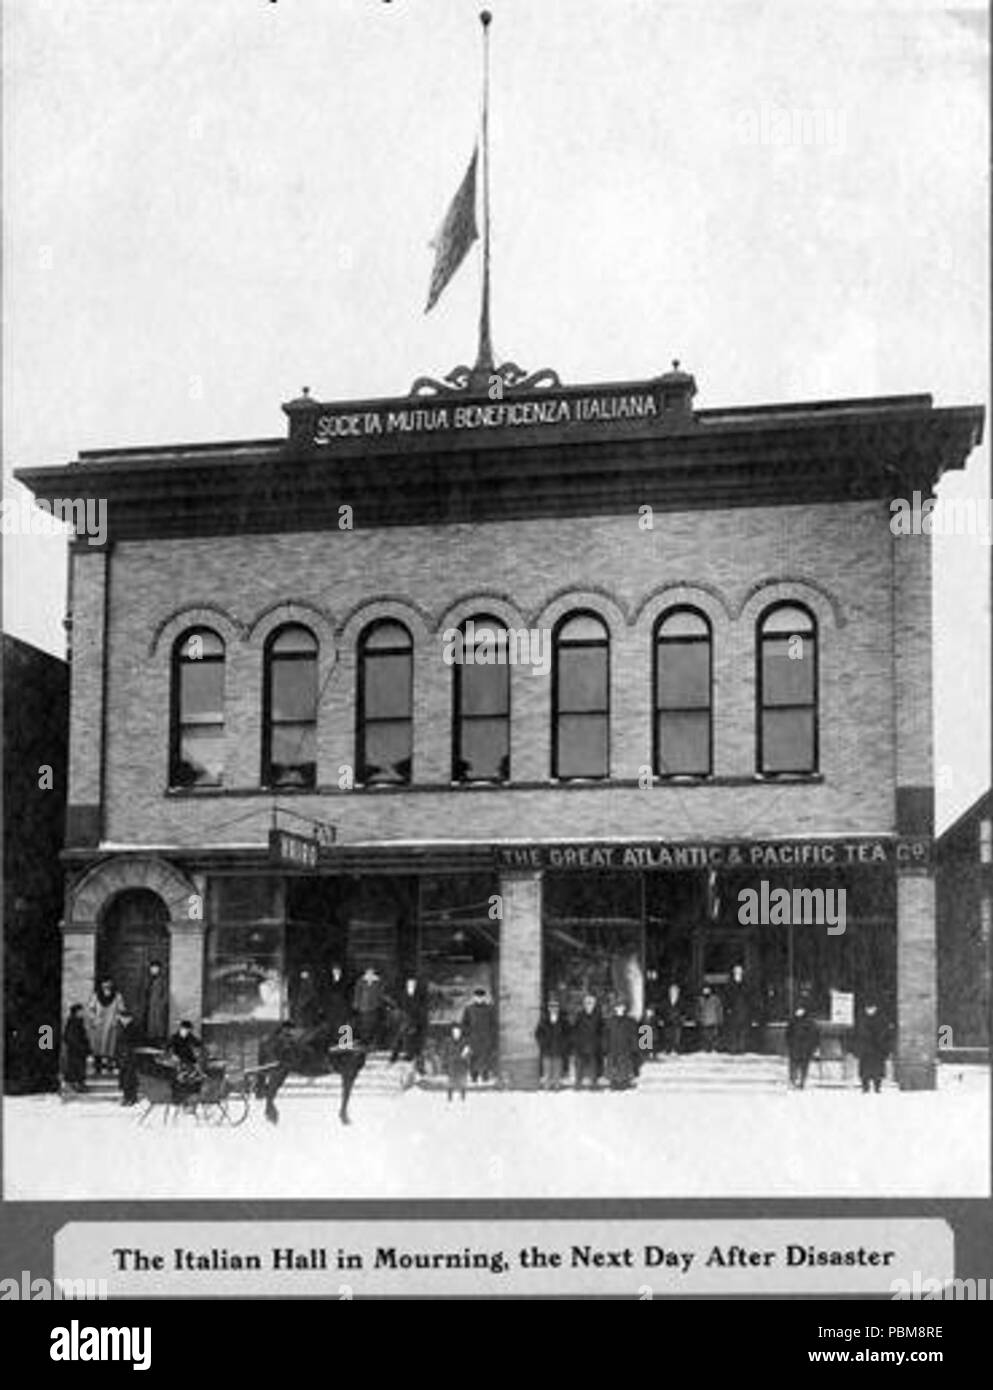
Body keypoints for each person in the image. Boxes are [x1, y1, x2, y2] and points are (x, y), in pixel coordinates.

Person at [86, 977, 125, 1075]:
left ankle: (109, 1067)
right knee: (98, 1048)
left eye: (108, 983)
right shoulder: (96, 996)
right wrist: (95, 1019)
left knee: (110, 1048)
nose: (106, 985)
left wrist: (116, 1019)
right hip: (99, 1026)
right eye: (104, 983)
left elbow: (121, 1009)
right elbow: (90, 1009)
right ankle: (97, 1067)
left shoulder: (117, 996)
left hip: (111, 1025)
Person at [388, 976, 429, 1069]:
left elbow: (422, 1008)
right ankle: (393, 1059)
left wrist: (418, 1021)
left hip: (418, 1021)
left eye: (413, 984)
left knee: (417, 1043)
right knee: (400, 1039)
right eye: (409, 984)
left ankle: (418, 1064)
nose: (411, 986)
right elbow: (400, 1006)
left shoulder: (420, 995)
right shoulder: (403, 995)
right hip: (406, 1020)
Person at [602, 1000, 642, 1090]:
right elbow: (606, 1035)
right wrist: (605, 1047)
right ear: (615, 1009)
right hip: (613, 1047)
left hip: (625, 1047)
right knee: (613, 1065)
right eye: (618, 1007)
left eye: (622, 1007)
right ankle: (614, 1082)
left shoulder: (630, 1021)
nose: (620, 1009)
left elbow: (633, 1035)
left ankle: (624, 1082)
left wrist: (634, 1047)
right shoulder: (610, 1021)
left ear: (625, 1008)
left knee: (624, 1065)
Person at [461, 986, 497, 1083]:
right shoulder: (469, 1008)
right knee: (473, 1057)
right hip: (473, 1037)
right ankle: (474, 1076)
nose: (479, 998)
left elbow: (493, 1024)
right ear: (474, 997)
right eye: (477, 996)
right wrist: (466, 1036)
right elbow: (464, 1023)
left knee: (485, 1057)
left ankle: (485, 1076)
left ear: (484, 997)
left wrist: (492, 1037)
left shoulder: (489, 1008)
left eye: (481, 996)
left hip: (486, 1037)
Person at [854, 1001, 890, 1094]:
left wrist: (883, 1045)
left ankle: (877, 1086)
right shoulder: (861, 1018)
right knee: (865, 1070)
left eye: (872, 1008)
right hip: (866, 1049)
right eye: (868, 1008)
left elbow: (885, 1033)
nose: (870, 1010)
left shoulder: (881, 1019)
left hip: (877, 1048)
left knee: (877, 1070)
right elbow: (858, 1033)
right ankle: (865, 1086)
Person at [535, 999, 570, 1089]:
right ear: (549, 1008)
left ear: (558, 1008)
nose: (553, 1009)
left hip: (558, 1047)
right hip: (547, 1048)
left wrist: (564, 1044)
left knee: (557, 1067)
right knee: (547, 1067)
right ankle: (547, 1083)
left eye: (555, 1007)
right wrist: (542, 1043)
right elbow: (538, 1033)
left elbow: (568, 1033)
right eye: (551, 1007)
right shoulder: (543, 1019)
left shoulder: (563, 1020)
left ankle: (556, 1083)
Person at [571, 993, 602, 1088]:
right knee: (579, 1064)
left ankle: (594, 1082)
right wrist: (576, 1041)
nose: (589, 1005)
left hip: (593, 1044)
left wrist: (599, 1042)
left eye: (591, 1002)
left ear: (594, 1004)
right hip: (581, 1043)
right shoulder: (579, 1015)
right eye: (587, 1002)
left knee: (593, 1064)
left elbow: (601, 1030)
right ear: (584, 1004)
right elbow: (574, 1029)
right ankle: (578, 1082)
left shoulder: (598, 1015)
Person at [785, 1005, 819, 1089]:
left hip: (804, 1048)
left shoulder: (810, 1023)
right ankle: (794, 1080)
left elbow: (815, 1036)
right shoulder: (793, 1021)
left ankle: (801, 1081)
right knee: (795, 1065)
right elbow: (788, 1034)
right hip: (797, 1048)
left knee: (802, 1066)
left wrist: (813, 1047)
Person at [136, 959, 169, 1045]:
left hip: (157, 1006)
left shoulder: (162, 980)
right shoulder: (148, 979)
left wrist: (161, 1004)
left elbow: (165, 993)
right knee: (148, 1023)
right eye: (152, 968)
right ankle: (149, 1040)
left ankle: (158, 1041)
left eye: (156, 968)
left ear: (159, 969)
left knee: (158, 1024)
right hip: (148, 1004)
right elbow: (144, 991)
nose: (154, 970)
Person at [115, 1006, 143, 1106]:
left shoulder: (135, 1028)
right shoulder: (119, 1027)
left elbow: (139, 1042)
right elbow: (117, 1043)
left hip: (132, 1056)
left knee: (130, 1079)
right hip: (122, 1056)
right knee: (123, 1079)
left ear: (129, 1018)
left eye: (125, 1018)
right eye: (121, 1018)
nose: (123, 1020)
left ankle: (131, 1098)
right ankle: (127, 1097)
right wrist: (117, 1057)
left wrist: (131, 1050)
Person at [352, 966, 383, 1047]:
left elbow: (380, 993)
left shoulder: (378, 982)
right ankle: (364, 1040)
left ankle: (371, 1041)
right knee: (363, 1024)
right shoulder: (360, 981)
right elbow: (357, 993)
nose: (369, 974)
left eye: (371, 972)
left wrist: (379, 1003)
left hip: (374, 1006)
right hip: (363, 1006)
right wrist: (356, 1003)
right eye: (368, 972)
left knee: (372, 1024)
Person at [724, 963, 752, 1053]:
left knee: (743, 1030)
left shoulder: (746, 983)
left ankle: (742, 1048)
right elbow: (727, 996)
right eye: (736, 971)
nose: (738, 973)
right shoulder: (730, 983)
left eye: (739, 971)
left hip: (743, 1010)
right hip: (733, 1010)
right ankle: (733, 1048)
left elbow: (749, 995)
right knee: (733, 1030)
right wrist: (728, 1007)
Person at [62, 1004, 90, 1092]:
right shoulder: (73, 1022)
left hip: (79, 1050)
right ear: (76, 1012)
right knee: (75, 1068)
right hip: (75, 1051)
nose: (83, 1013)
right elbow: (70, 1037)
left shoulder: (78, 1022)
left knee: (79, 1068)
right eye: (81, 1011)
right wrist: (80, 1047)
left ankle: (79, 1084)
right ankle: (76, 1085)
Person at [442, 1023, 471, 1102]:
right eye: (454, 1032)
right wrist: (445, 1064)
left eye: (458, 1032)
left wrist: (466, 1060)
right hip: (452, 1064)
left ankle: (463, 1098)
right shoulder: (448, 1042)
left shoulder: (465, 1042)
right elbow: (445, 1053)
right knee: (450, 1082)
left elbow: (468, 1053)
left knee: (462, 1082)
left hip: (461, 1064)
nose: (456, 1034)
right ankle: (450, 1098)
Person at [324, 963, 351, 1045]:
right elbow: (325, 993)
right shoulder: (327, 981)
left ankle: (342, 1041)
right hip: (331, 1005)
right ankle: (332, 1040)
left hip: (342, 1005)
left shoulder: (346, 981)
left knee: (341, 1023)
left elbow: (348, 994)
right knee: (331, 1023)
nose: (336, 972)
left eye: (338, 971)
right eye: (334, 970)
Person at [696, 985, 723, 1051]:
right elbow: (697, 1010)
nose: (706, 991)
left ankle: (714, 1048)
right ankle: (705, 1048)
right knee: (705, 1037)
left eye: (707, 989)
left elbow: (719, 1010)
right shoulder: (700, 1000)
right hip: (704, 1022)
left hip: (713, 1021)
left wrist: (720, 1020)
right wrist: (698, 1019)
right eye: (705, 989)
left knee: (714, 1036)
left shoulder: (715, 999)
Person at [660, 982, 684, 1054]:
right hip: (668, 1021)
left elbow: (684, 1010)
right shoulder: (665, 1001)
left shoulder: (681, 1001)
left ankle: (676, 1049)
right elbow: (662, 1010)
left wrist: (682, 1018)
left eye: (675, 990)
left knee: (677, 1036)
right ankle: (668, 1049)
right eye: (671, 990)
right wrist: (662, 1018)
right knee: (668, 1036)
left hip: (677, 1021)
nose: (673, 992)